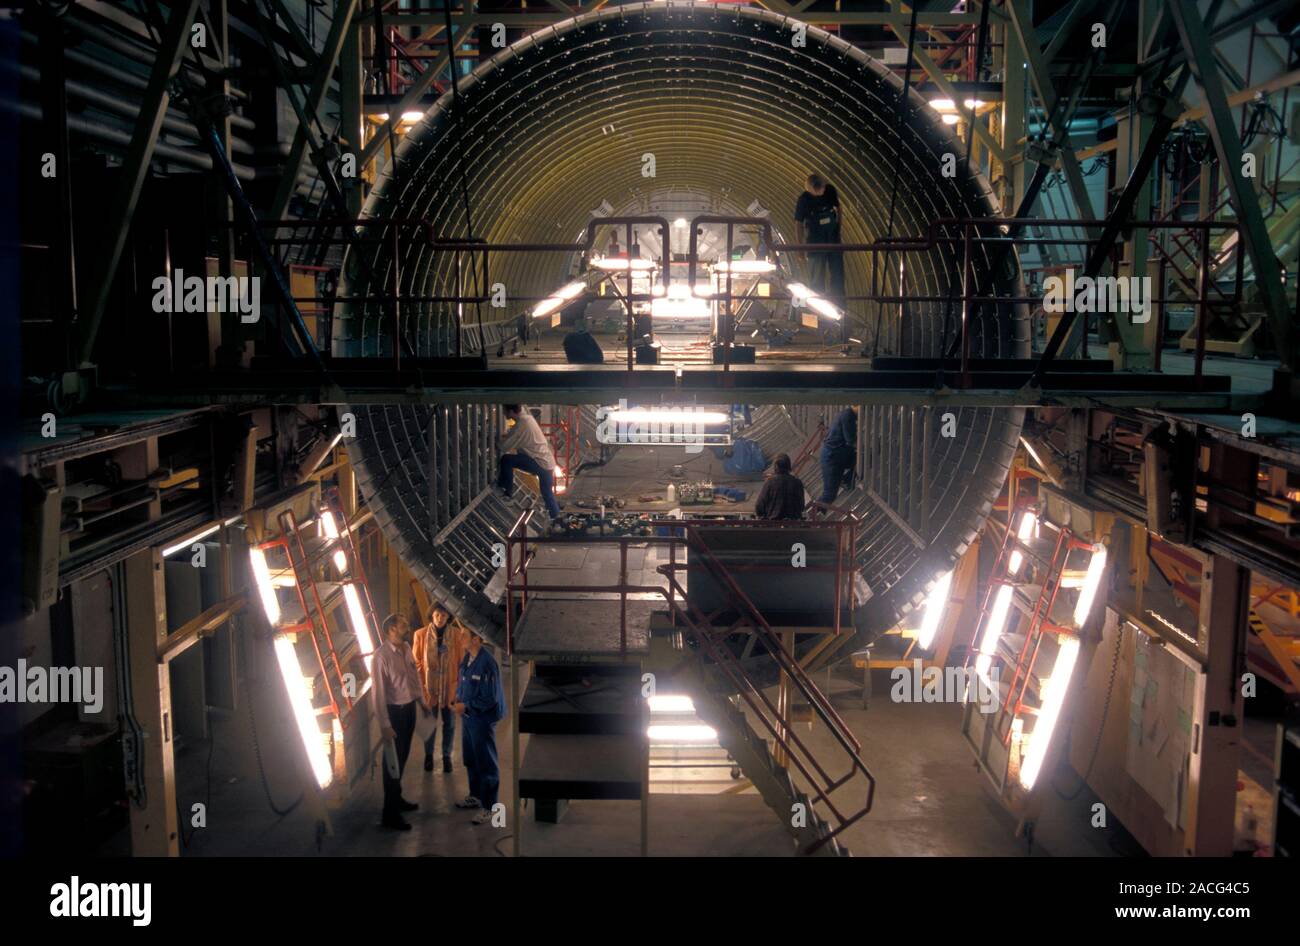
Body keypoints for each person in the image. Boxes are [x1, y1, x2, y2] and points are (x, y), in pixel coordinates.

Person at [371, 613, 422, 831]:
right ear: (391, 629)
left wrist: (421, 699)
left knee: (402, 759)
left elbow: (413, 676)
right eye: (403, 625)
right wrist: (385, 725)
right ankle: (389, 815)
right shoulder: (381, 657)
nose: (407, 627)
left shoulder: (406, 648)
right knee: (392, 764)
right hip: (395, 714)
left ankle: (397, 799)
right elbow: (378, 694)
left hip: (409, 709)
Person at [452, 629, 506, 825]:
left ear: (476, 639)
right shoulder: (467, 658)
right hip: (468, 717)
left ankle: (490, 807)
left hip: (482, 718)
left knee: (486, 762)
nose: (460, 638)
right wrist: (458, 697)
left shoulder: (487, 664)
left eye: (464, 635)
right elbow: (462, 681)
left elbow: (489, 698)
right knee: (471, 758)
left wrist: (466, 705)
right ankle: (475, 795)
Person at [412, 602, 469, 774]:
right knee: (429, 723)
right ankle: (429, 756)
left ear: (448, 617)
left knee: (450, 724)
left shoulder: (457, 635)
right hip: (429, 689)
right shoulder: (420, 635)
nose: (440, 618)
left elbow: (461, 664)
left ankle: (446, 757)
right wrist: (422, 685)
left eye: (444, 615)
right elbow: (416, 663)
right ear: (432, 615)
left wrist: (458, 688)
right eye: (437, 614)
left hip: (450, 689)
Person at [498, 404, 562, 520]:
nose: (503, 413)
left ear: (511, 411)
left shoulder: (521, 424)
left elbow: (504, 446)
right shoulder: (528, 419)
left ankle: (507, 493)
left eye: (504, 411)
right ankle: (557, 519)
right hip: (547, 463)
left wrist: (495, 439)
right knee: (547, 493)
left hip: (539, 462)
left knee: (506, 459)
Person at [793, 173, 846, 309]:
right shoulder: (804, 200)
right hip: (815, 241)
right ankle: (818, 308)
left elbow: (839, 209)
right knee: (816, 277)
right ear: (810, 189)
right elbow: (798, 223)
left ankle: (839, 305)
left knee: (838, 275)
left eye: (821, 189)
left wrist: (838, 231)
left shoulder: (830, 191)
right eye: (816, 191)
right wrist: (800, 248)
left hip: (833, 239)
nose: (820, 193)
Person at [819, 406, 857, 504]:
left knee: (863, 458)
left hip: (835, 455)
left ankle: (845, 479)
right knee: (829, 495)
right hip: (832, 457)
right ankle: (812, 516)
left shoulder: (846, 414)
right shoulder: (848, 416)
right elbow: (851, 440)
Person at [755, 453, 806, 520]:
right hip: (793, 525)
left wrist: (762, 515)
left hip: (773, 525)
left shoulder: (770, 482)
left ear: (776, 466)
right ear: (788, 466)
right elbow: (801, 506)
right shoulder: (797, 483)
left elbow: (759, 505)